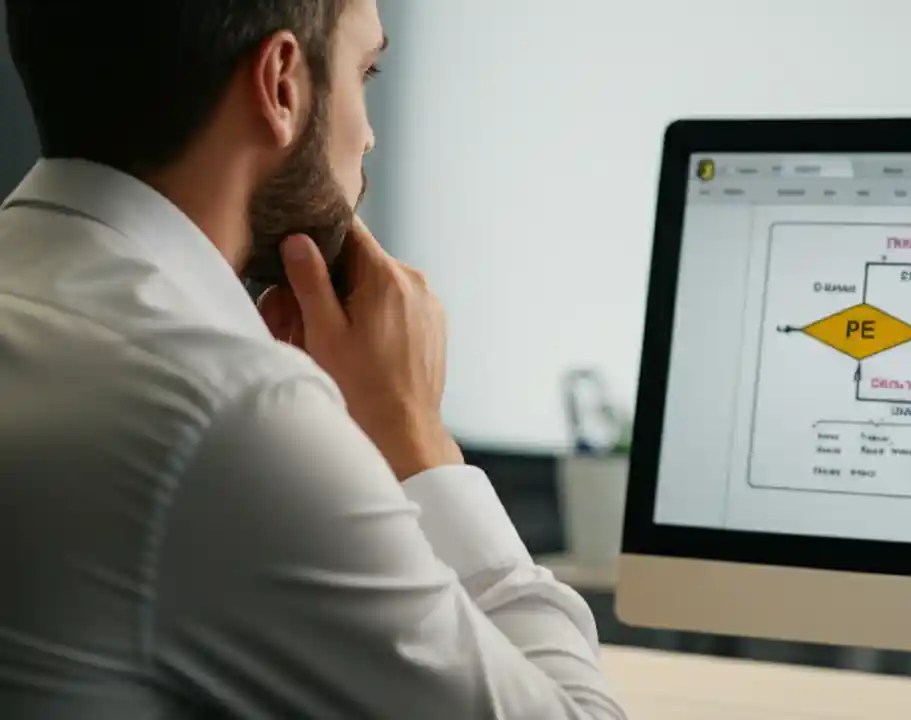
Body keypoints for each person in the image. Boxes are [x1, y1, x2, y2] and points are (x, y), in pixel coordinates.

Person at [0, 1, 626, 718]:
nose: (370, 136)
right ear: (282, 85)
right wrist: (414, 436)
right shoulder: (223, 414)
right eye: (367, 71)